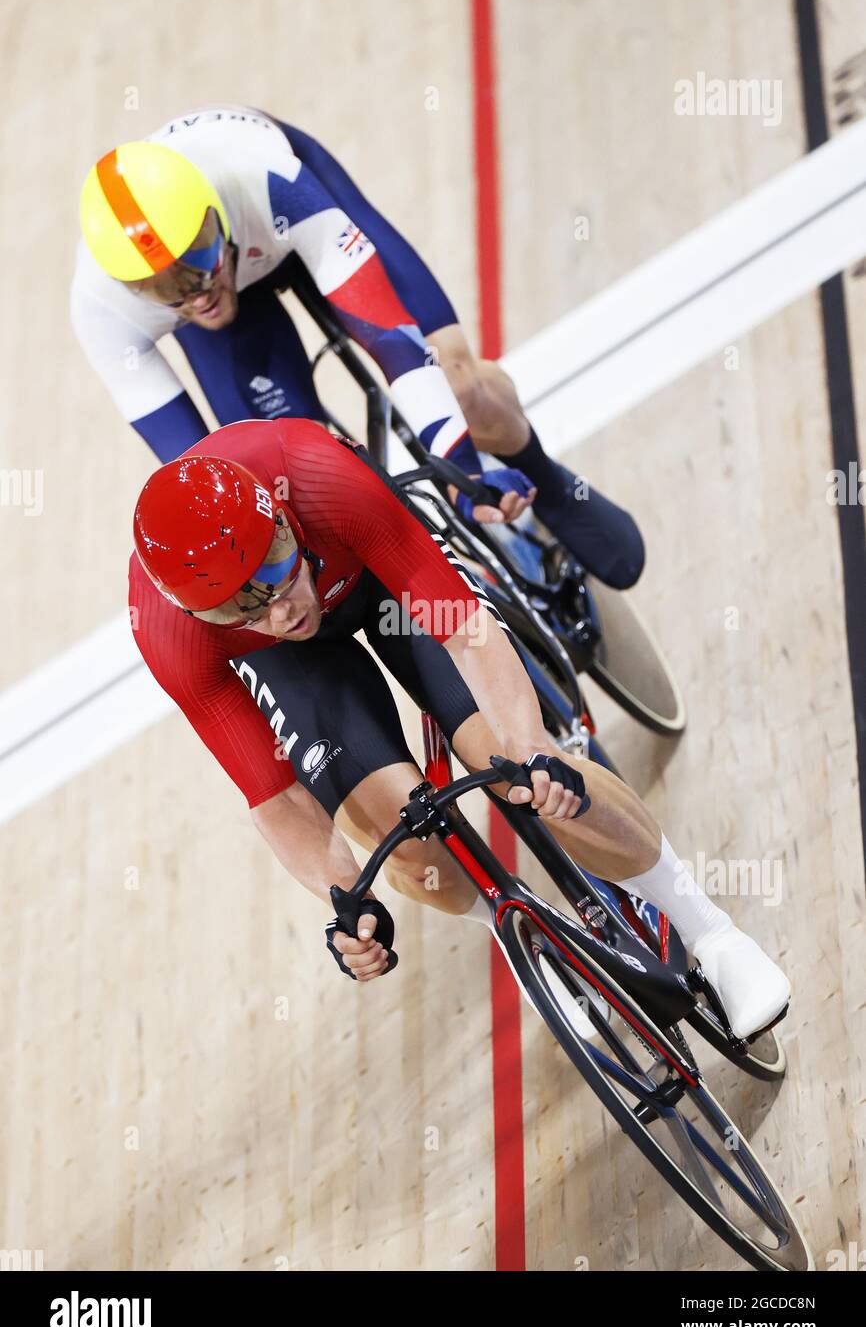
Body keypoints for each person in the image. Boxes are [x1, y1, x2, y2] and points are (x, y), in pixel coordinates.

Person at [129, 413, 790, 1039]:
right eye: (241, 608)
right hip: (294, 670)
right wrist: (341, 900)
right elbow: (275, 798)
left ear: (280, 520)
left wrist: (531, 750)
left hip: (376, 577)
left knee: (522, 774)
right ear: (198, 613)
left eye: (273, 574)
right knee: (407, 847)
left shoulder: (316, 476)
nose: (277, 612)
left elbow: (466, 634)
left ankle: (716, 936)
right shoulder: (170, 629)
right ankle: (521, 932)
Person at [74, 102, 644, 588]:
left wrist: (464, 473)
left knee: (458, 383)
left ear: (216, 218)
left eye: (196, 268)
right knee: (289, 487)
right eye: (163, 291)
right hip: (238, 288)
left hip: (288, 231)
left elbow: (396, 342)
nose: (194, 297)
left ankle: (545, 479)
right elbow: (200, 478)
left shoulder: (269, 180)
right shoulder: (101, 307)